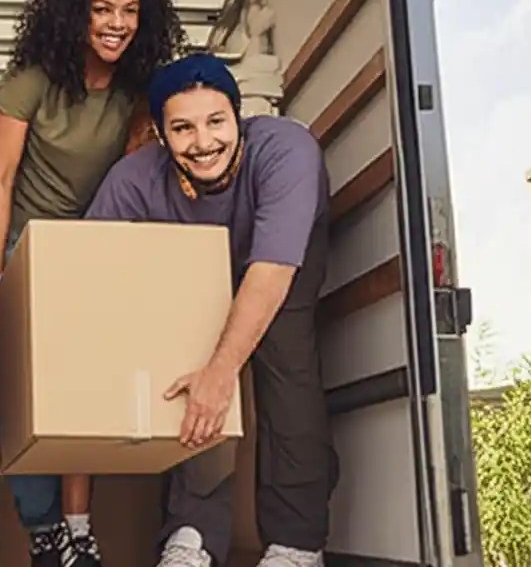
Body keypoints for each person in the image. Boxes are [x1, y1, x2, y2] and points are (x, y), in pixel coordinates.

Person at [83, 53, 339, 567]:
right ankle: (192, 534)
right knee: (189, 371)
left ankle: (296, 541)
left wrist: (224, 371)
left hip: (280, 262)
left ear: (237, 117)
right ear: (160, 134)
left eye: (216, 122)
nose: (203, 143)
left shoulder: (287, 150)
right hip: (194, 277)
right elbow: (87, 261)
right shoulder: (134, 179)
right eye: (183, 128)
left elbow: (269, 274)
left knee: (286, 369)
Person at [0, 0, 186, 567]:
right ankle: (45, 531)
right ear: (76, 14)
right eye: (102, 9)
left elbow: (133, 174)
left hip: (95, 242)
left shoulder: (139, 92)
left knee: (82, 389)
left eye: (128, 11)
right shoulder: (31, 80)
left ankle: (78, 533)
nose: (116, 23)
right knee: (15, 393)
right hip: (27, 246)